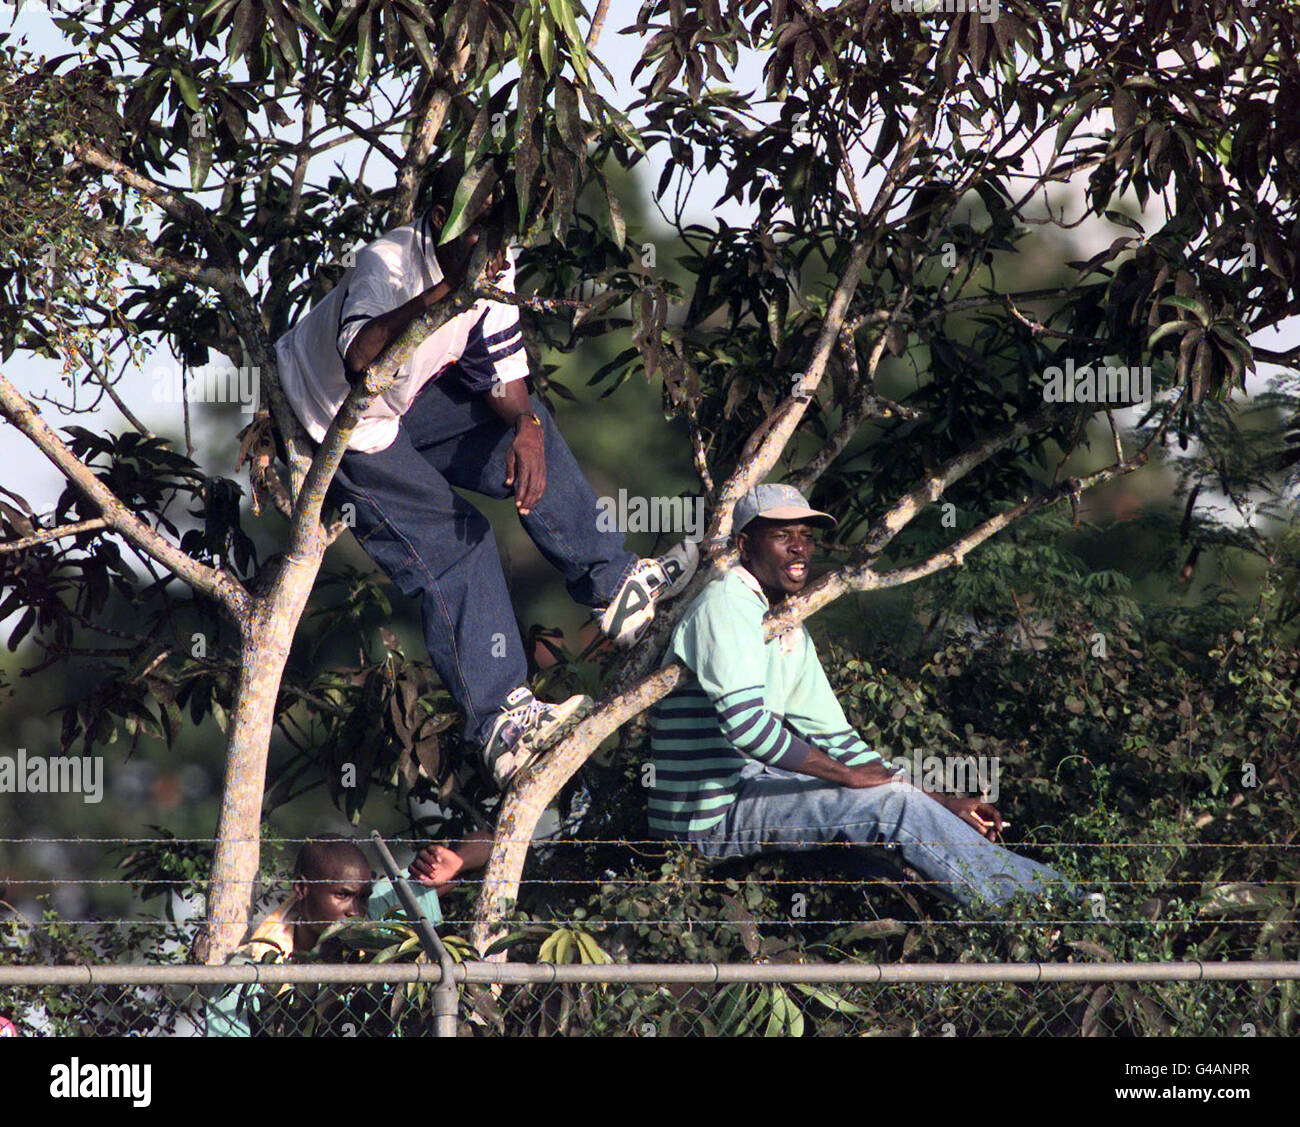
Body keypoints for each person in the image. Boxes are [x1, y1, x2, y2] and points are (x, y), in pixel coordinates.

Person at [274, 158, 697, 789]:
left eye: (499, 231)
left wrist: (524, 426)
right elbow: (362, 358)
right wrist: (453, 290)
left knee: (530, 429)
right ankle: (503, 724)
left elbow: (503, 369)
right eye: (479, 232)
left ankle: (615, 588)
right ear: (441, 222)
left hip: (405, 401)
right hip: (332, 419)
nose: (493, 248)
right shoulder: (387, 263)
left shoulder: (495, 257)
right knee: (458, 545)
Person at [647, 483, 1068, 908]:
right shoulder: (726, 604)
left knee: (894, 799)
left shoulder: (782, 623)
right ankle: (1041, 909)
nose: (799, 550)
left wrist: (940, 802)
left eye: (806, 537)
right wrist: (849, 778)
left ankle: (1052, 895)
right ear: (744, 544)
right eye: (782, 537)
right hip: (706, 817)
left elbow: (838, 738)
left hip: (753, 786)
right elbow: (747, 727)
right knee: (888, 806)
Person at [204, 834, 446, 1037]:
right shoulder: (248, 973)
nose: (355, 912)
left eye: (362, 898)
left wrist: (449, 863)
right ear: (301, 888)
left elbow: (423, 882)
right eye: (342, 895)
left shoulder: (379, 939)